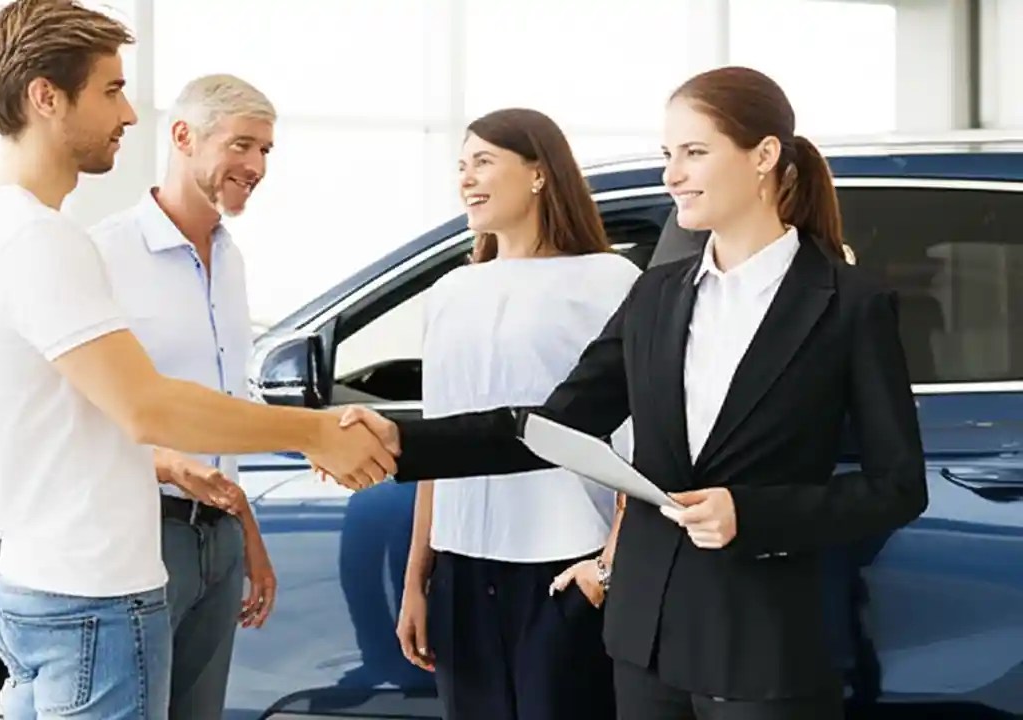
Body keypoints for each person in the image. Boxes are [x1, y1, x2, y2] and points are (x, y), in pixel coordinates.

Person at [332, 66, 928, 720]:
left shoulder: (848, 307)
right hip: (646, 644)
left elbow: (897, 487)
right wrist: (402, 439)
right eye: (668, 155)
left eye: (694, 153)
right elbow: (552, 426)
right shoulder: (658, 295)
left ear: (762, 157)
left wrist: (752, 514)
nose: (673, 173)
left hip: (762, 645)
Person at [0, 3, 395, 718]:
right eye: (110, 91)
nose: (129, 114)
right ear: (45, 96)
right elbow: (146, 405)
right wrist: (313, 432)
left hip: (41, 580)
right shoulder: (51, 243)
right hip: (89, 594)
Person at [395, 108, 638, 720]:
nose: (466, 179)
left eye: (483, 161)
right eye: (461, 165)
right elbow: (440, 440)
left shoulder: (607, 281)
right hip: (462, 570)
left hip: (564, 567)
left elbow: (642, 439)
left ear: (538, 173)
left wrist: (606, 568)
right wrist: (417, 579)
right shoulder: (450, 291)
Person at [88, 73, 278, 720]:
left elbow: (224, 404)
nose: (255, 166)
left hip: (217, 541)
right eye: (243, 145)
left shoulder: (232, 260)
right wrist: (172, 467)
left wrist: (244, 530)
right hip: (144, 532)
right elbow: (81, 415)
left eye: (266, 153)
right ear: (182, 136)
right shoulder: (107, 254)